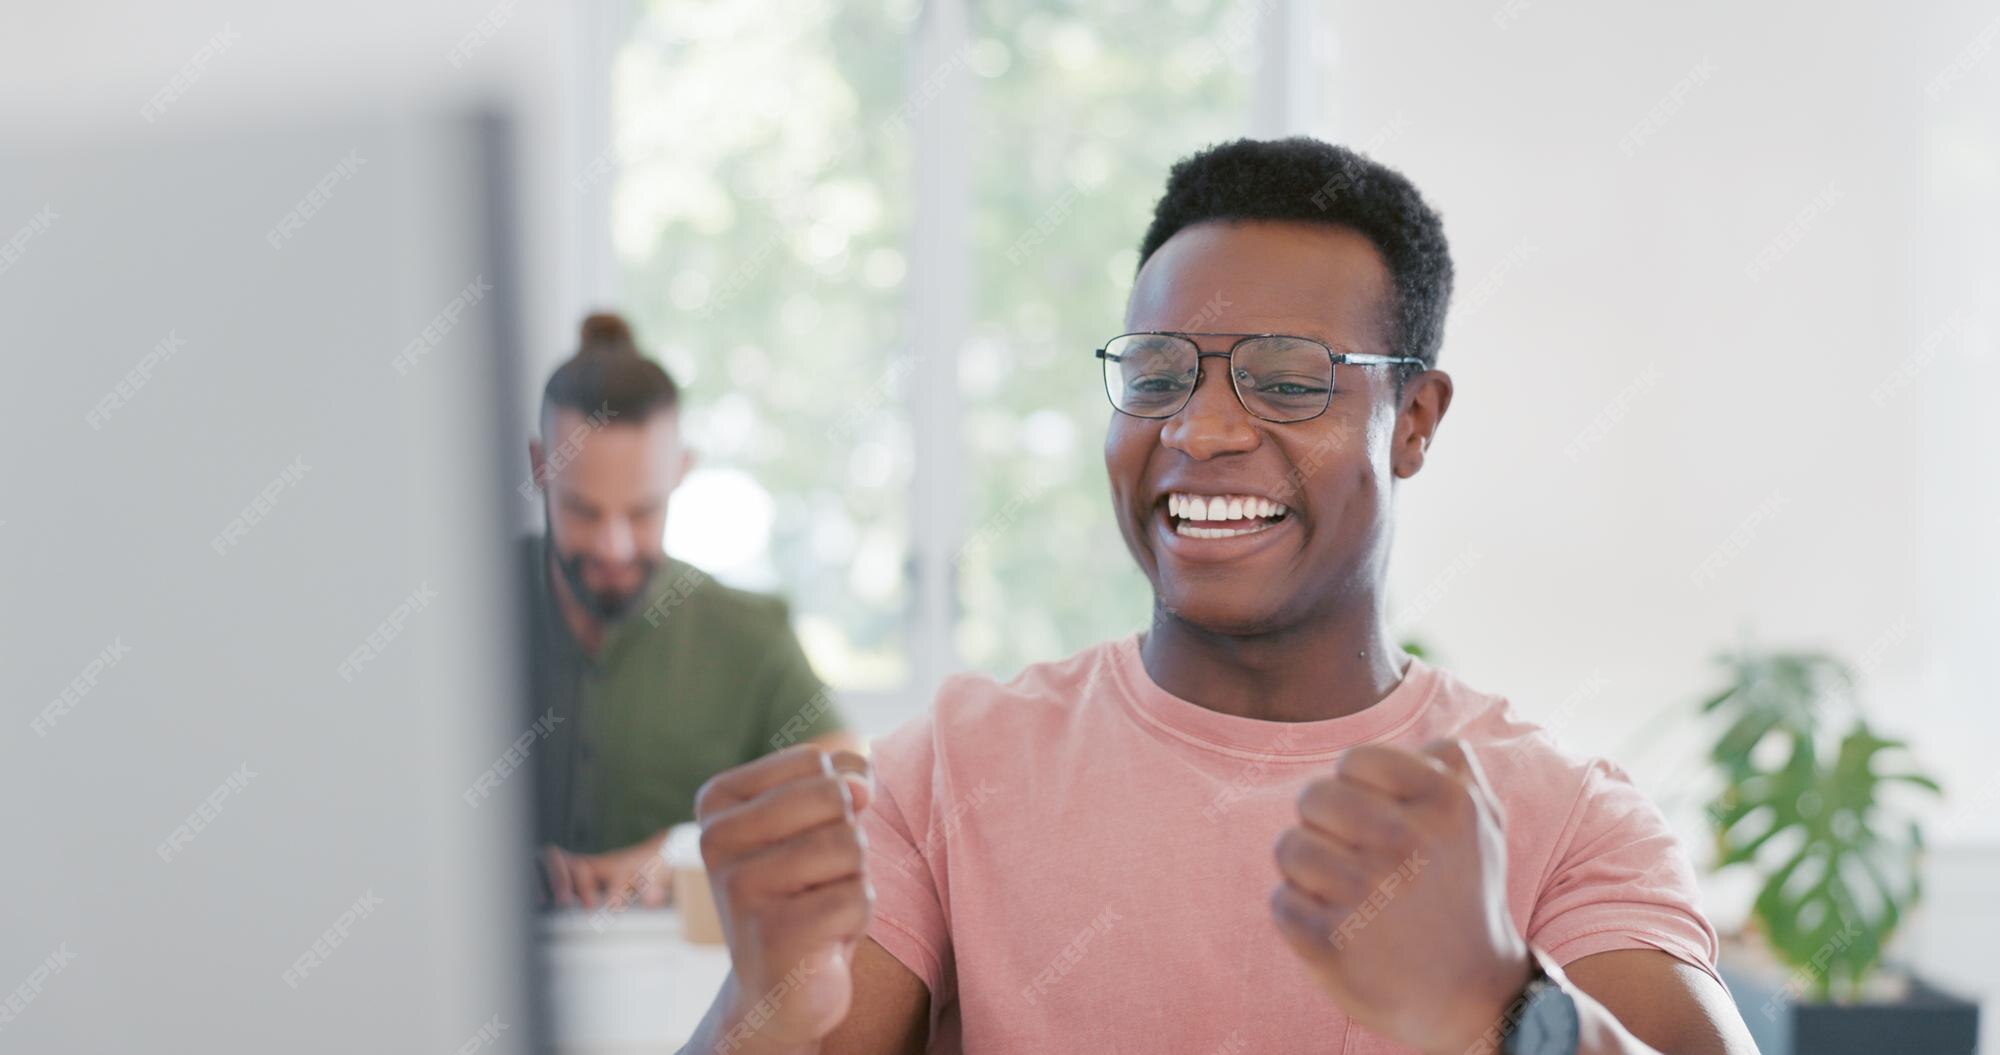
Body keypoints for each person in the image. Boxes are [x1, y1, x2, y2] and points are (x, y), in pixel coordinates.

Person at [682, 139, 1760, 1053]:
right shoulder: (947, 772)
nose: (1198, 431)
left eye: (1286, 380)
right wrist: (760, 1002)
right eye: (1157, 375)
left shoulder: (1564, 819)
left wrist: (1504, 1002)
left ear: (1414, 418)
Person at [526, 313, 857, 910]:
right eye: (583, 510)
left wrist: (684, 850)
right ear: (538, 468)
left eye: (642, 511)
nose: (613, 547)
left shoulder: (747, 635)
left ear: (681, 472)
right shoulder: (455, 616)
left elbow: (848, 783)